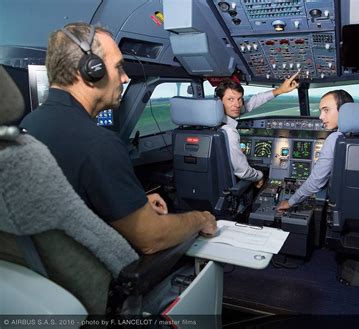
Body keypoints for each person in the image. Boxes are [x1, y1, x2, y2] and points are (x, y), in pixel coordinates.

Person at [20, 23, 216, 254]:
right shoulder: (97, 143)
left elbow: (68, 202)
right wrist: (200, 219)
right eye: (119, 67)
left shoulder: (29, 125)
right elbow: (151, 238)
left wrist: (133, 202)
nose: (124, 78)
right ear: (91, 70)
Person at [216, 72, 299, 188]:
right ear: (218, 102)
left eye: (239, 99)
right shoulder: (228, 131)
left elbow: (253, 102)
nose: (237, 104)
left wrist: (279, 90)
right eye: (230, 99)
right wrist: (260, 175)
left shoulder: (207, 125)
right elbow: (243, 171)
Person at [277, 89, 354, 211]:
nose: (320, 116)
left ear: (345, 111)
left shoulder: (335, 139)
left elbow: (316, 182)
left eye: (326, 110)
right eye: (320, 111)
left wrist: (290, 202)